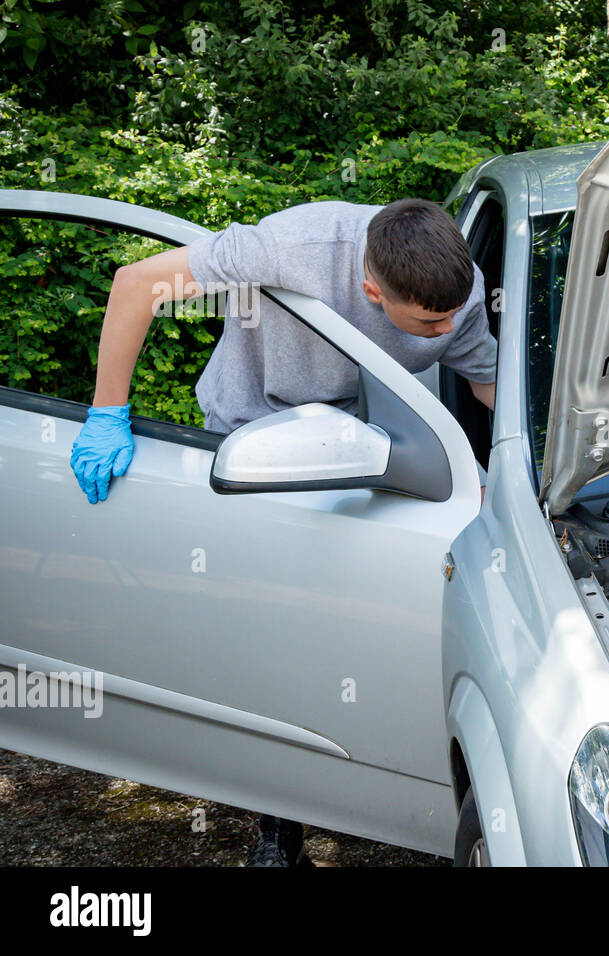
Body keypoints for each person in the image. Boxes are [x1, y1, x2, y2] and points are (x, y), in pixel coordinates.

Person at [68, 197, 497, 865]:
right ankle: (278, 823)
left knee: (344, 617)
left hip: (354, 443)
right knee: (264, 630)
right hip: (248, 437)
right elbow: (139, 283)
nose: (447, 325)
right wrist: (106, 413)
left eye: (452, 313)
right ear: (370, 288)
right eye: (430, 321)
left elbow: (485, 381)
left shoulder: (453, 292)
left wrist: (527, 471)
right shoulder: (287, 246)